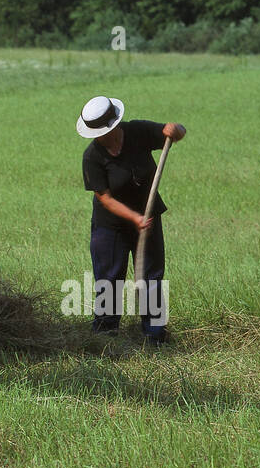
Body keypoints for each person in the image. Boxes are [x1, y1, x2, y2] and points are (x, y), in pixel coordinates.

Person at [77, 95, 186, 346]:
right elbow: (105, 198)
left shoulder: (137, 131)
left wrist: (175, 129)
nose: (99, 136)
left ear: (114, 125)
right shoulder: (92, 156)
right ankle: (105, 336)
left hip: (148, 217)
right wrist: (133, 217)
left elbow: (172, 133)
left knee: (150, 276)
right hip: (110, 225)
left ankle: (155, 335)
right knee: (109, 279)